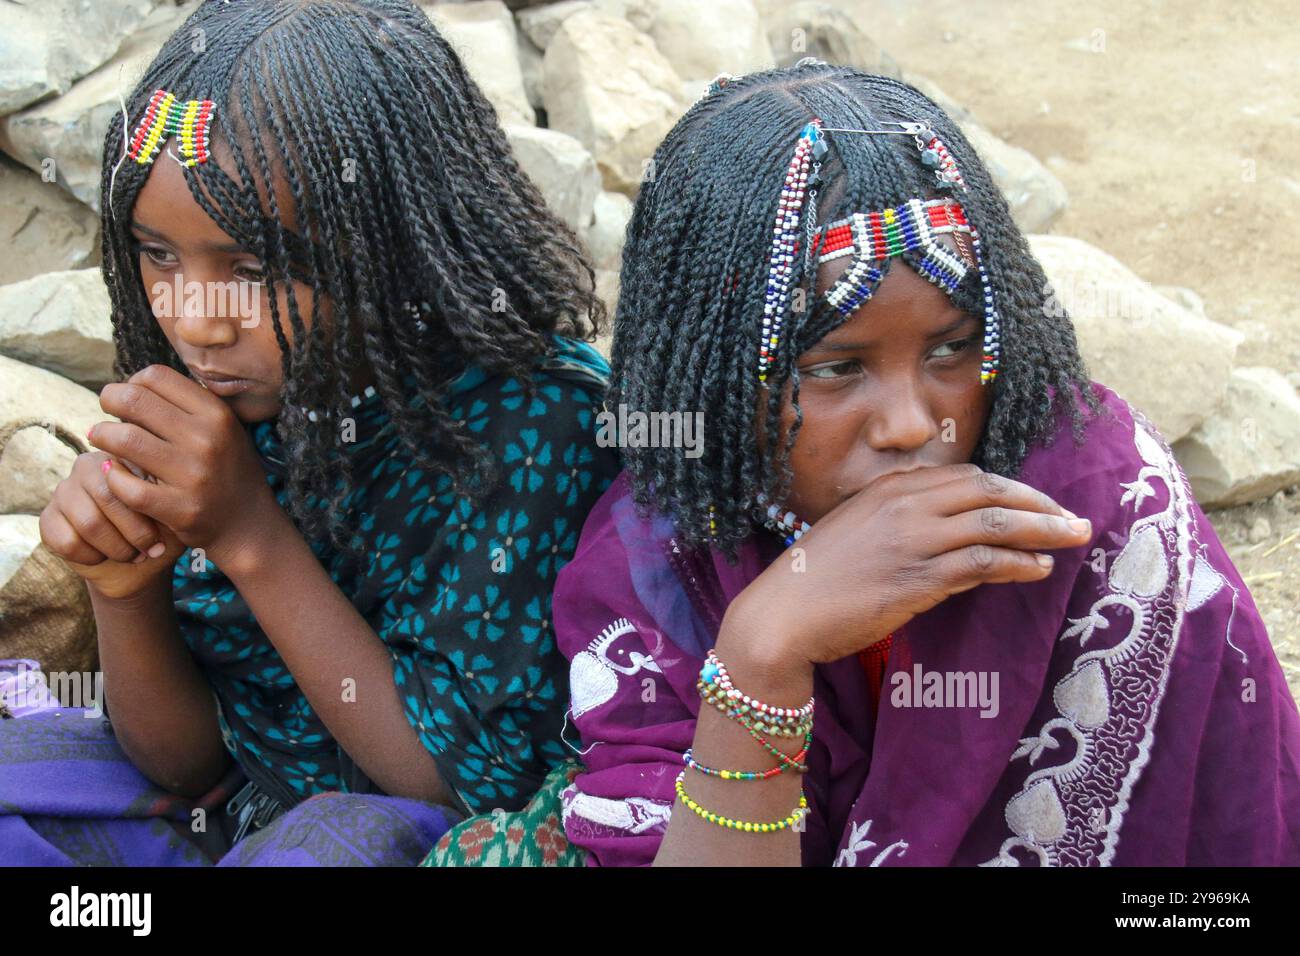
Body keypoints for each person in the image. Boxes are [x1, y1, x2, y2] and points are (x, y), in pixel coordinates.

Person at [552, 63, 1300, 866]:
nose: (914, 425)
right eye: (837, 367)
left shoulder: (1092, 500)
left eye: (952, 349)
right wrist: (763, 656)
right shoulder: (658, 564)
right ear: (713, 375)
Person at [1, 0, 617, 866]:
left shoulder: (538, 426)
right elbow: (191, 768)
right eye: (157, 254)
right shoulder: (229, 390)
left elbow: (455, 784)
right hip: (235, 816)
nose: (195, 319)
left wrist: (249, 534)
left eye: (255, 268)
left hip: (422, 836)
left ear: (397, 242)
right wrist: (123, 591)